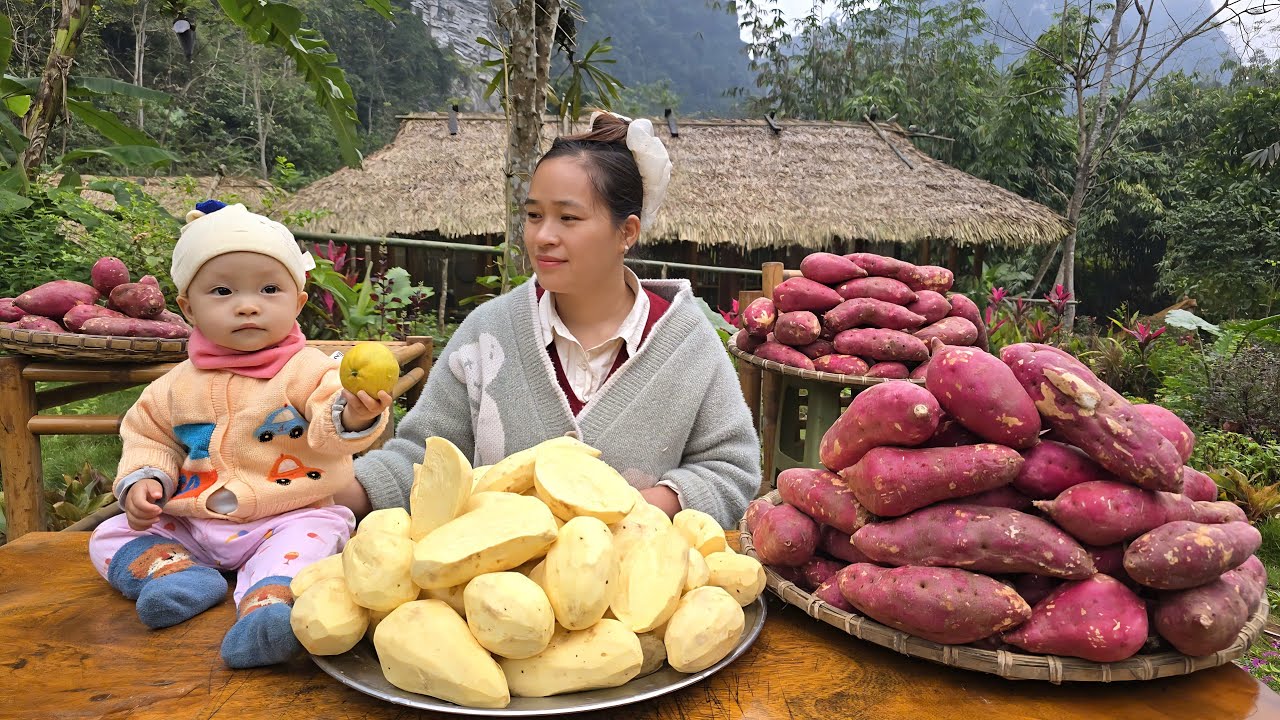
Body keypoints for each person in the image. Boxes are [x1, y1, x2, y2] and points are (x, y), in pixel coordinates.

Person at [342, 112, 761, 528]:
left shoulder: (688, 346)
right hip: (489, 589)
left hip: (635, 589)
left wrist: (632, 508)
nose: (542, 236)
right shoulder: (485, 336)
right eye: (534, 215)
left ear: (627, 232)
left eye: (569, 217)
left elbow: (731, 471)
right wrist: (327, 488)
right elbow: (422, 460)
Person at [87, 202, 393, 668]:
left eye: (269, 289)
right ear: (188, 308)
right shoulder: (173, 386)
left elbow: (331, 420)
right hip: (193, 522)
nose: (247, 304)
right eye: (223, 290)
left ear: (298, 301)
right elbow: (149, 437)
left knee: (319, 537)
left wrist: (352, 414)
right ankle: (179, 575)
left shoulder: (308, 371)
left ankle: (267, 609)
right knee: (107, 535)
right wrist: (147, 479)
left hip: (287, 515)